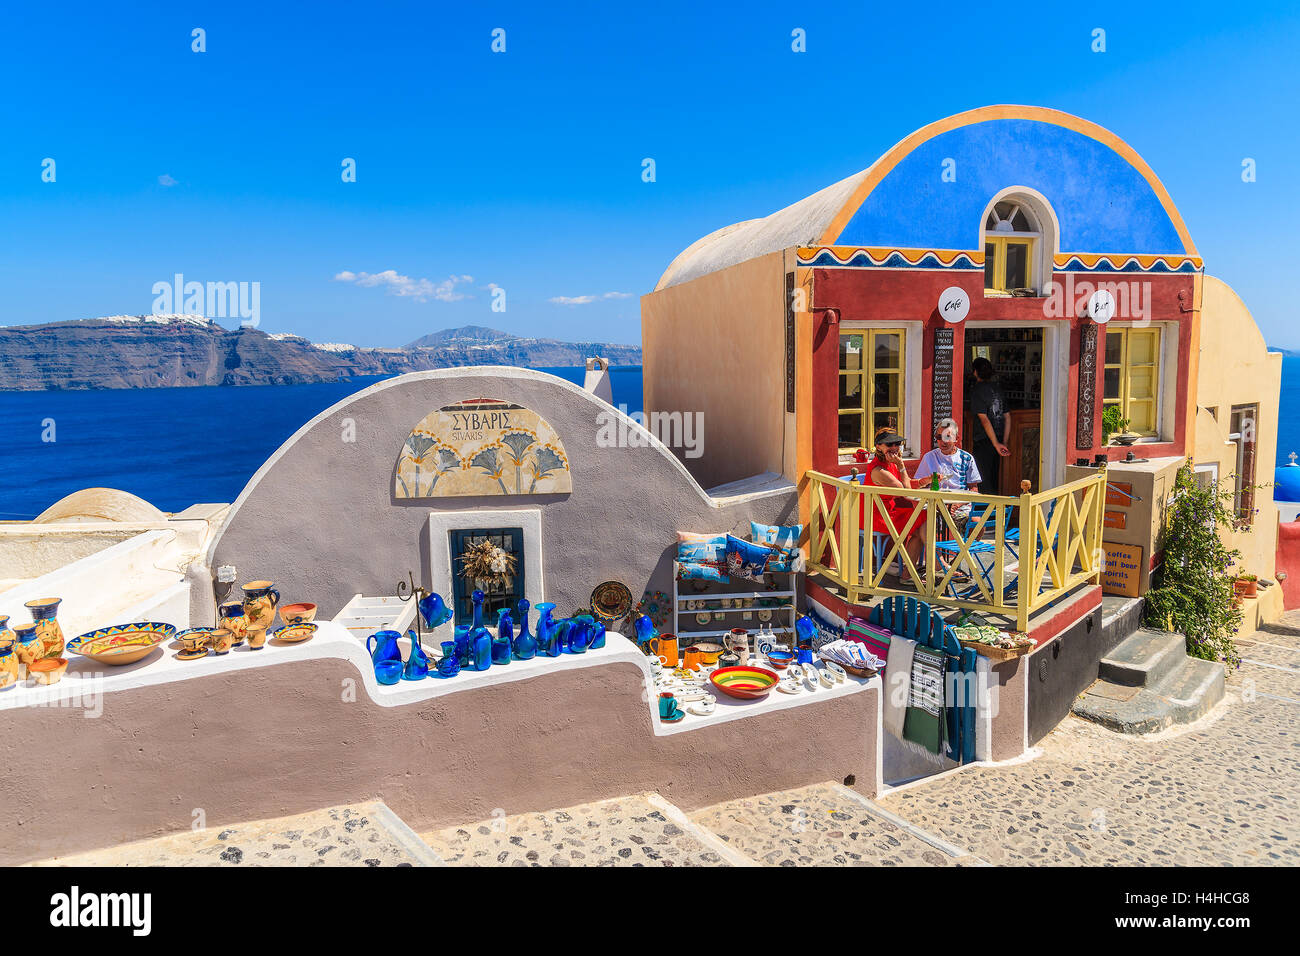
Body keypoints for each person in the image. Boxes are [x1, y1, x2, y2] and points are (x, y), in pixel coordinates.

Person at [864, 427, 924, 573]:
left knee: (924, 517)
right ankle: (933, 564)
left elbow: (906, 483)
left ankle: (911, 571)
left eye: (897, 443)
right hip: (876, 516)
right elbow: (904, 491)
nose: (894, 447)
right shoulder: (879, 470)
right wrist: (901, 465)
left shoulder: (890, 463)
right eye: (889, 444)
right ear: (878, 446)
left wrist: (922, 482)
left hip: (888, 511)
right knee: (923, 517)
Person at [968, 357, 1010, 493]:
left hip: (984, 440)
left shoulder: (977, 391)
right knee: (993, 477)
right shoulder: (998, 389)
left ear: (975, 372)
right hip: (998, 438)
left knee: (982, 478)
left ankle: (985, 513)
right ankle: (993, 513)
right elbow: (1008, 417)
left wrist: (996, 444)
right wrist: (1003, 442)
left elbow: (984, 419)